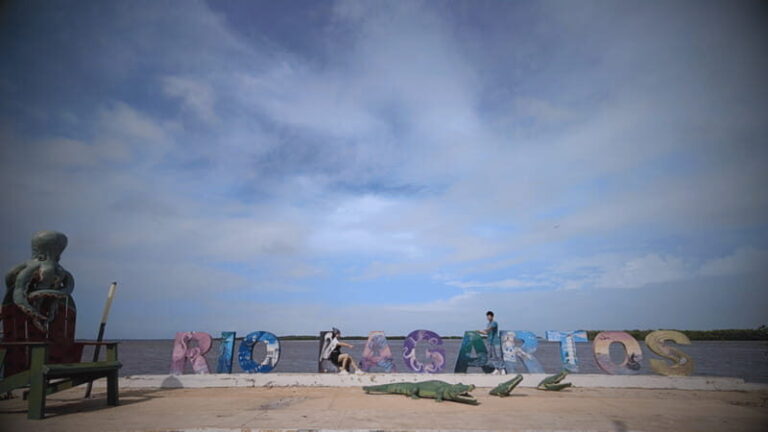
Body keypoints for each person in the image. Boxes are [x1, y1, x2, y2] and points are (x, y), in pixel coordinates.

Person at [478, 310, 505, 375]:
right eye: (487, 317)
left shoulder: (494, 323)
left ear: (492, 316)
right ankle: (497, 369)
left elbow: (490, 328)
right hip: (489, 342)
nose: (488, 318)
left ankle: (502, 369)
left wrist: (485, 330)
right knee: (492, 357)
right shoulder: (487, 324)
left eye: (489, 316)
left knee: (499, 356)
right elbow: (486, 333)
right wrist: (479, 332)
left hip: (496, 342)